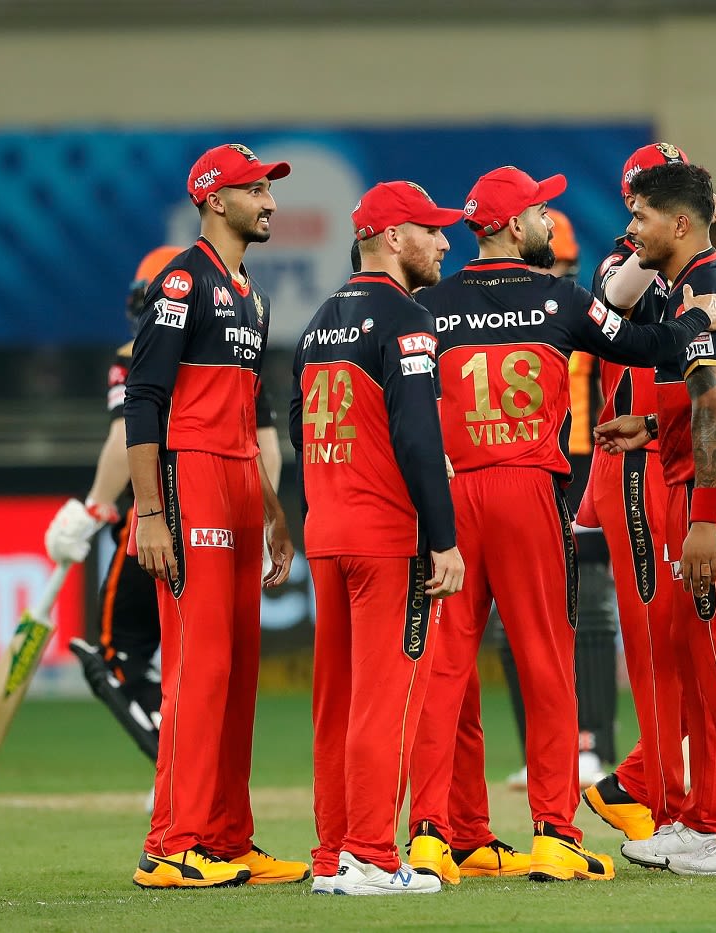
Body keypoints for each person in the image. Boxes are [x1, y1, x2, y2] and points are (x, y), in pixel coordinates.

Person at [405, 165, 716, 884]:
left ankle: (432, 834)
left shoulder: (432, 303)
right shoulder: (557, 297)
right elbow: (646, 347)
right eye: (538, 212)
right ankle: (554, 831)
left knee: (446, 671)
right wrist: (698, 319)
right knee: (547, 665)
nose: (547, 222)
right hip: (528, 492)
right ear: (513, 225)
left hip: (454, 493)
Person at [593, 161, 716, 876]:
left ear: (679, 222)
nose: (630, 228)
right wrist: (650, 421)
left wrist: (704, 516)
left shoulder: (703, 290)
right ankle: (711, 816)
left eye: (640, 215)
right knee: (700, 655)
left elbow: (715, 409)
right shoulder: (713, 282)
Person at [123, 143, 303, 889]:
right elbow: (144, 399)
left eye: (268, 188)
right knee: (202, 668)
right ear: (212, 199)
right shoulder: (182, 281)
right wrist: (150, 512)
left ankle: (228, 836)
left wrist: (273, 510)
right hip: (189, 479)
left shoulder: (251, 295)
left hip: (237, 480)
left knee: (237, 672)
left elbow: (242, 414)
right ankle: (172, 843)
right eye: (254, 189)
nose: (268, 201)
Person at [291, 180, 466, 896]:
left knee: (335, 703)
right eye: (431, 229)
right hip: (385, 536)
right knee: (386, 701)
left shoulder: (317, 323)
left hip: (326, 530)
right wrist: (444, 537)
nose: (445, 241)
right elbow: (420, 437)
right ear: (392, 238)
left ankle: (332, 853)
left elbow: (300, 429)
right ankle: (371, 852)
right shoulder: (408, 318)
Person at [48, 245, 282, 776]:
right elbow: (264, 445)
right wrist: (263, 513)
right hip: (225, 512)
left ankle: (178, 777)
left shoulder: (137, 353)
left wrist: (93, 508)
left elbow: (122, 434)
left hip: (157, 519)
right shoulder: (238, 351)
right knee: (210, 655)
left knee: (124, 657)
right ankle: (198, 785)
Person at [581, 142, 704, 846]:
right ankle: (661, 799)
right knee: (657, 641)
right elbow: (617, 298)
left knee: (689, 640)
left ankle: (638, 778)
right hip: (635, 466)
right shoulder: (617, 265)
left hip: (677, 457)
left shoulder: (697, 266)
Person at [501, 206, 615, 793]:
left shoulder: (582, 310)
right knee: (513, 614)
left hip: (584, 463)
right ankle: (540, 747)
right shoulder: (516, 310)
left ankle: (592, 741)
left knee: (591, 604)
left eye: (564, 263)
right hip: (527, 466)